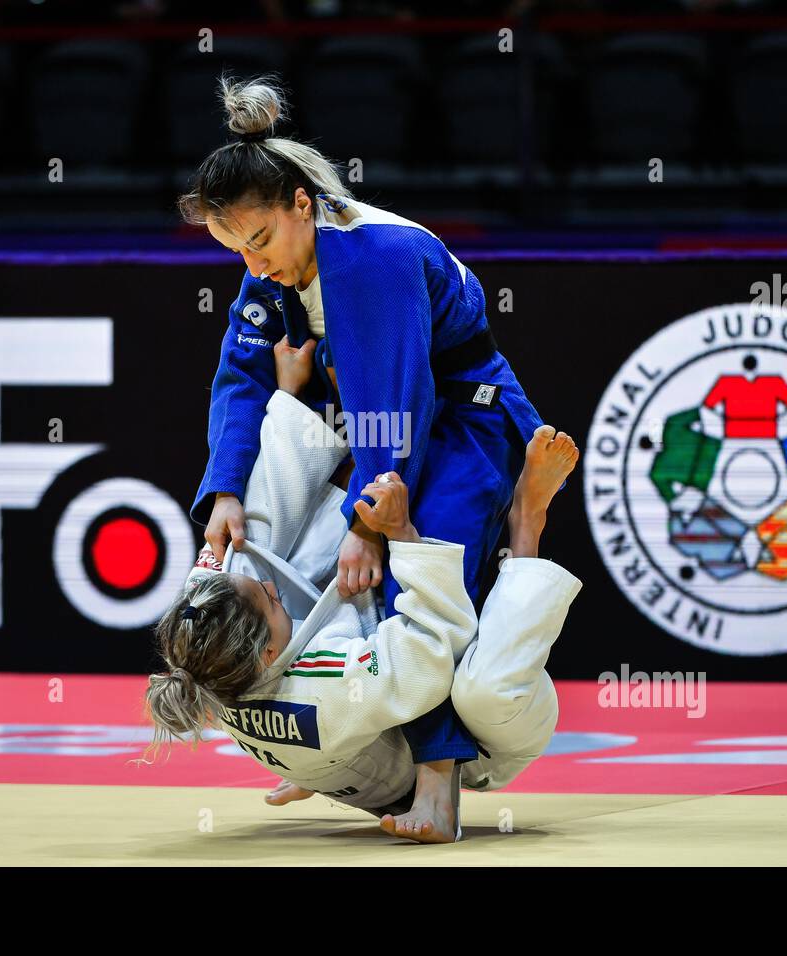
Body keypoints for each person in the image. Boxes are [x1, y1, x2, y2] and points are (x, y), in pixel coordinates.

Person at [178, 74, 554, 828]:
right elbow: (240, 379)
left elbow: (396, 402)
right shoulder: (273, 267)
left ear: (301, 205)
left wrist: (369, 522)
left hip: (462, 421)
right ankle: (337, 753)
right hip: (382, 424)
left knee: (423, 560)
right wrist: (223, 490)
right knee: (300, 558)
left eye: (259, 241)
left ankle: (438, 777)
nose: (252, 266)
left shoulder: (374, 256)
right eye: (234, 251)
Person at [146, 363, 582, 842]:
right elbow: (437, 645)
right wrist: (402, 534)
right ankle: (528, 519)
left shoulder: (197, 646)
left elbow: (253, 530)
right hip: (486, 747)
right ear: (268, 657)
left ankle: (323, 764)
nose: (273, 590)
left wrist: (291, 399)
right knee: (482, 690)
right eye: (271, 604)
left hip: (342, 748)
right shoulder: (327, 685)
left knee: (254, 551)